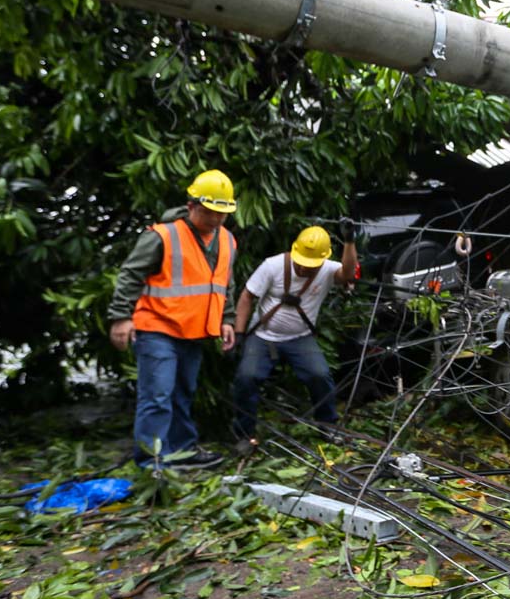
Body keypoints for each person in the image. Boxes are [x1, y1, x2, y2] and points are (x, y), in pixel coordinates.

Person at [107, 170, 239, 469]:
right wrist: (120, 318)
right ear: (191, 205)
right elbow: (130, 274)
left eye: (222, 214)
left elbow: (225, 284)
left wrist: (227, 320)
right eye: (209, 212)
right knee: (157, 395)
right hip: (157, 327)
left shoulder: (228, 241)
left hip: (193, 332)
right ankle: (151, 460)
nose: (216, 220)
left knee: (183, 393)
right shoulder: (162, 235)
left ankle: (182, 450)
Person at [230, 220, 358, 453]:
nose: (304, 269)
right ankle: (244, 433)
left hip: (300, 337)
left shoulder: (327, 269)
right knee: (246, 377)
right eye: (301, 263)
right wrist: (239, 333)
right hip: (263, 335)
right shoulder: (273, 266)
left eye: (310, 266)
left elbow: (348, 273)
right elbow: (247, 296)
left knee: (320, 375)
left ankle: (327, 425)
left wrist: (349, 241)